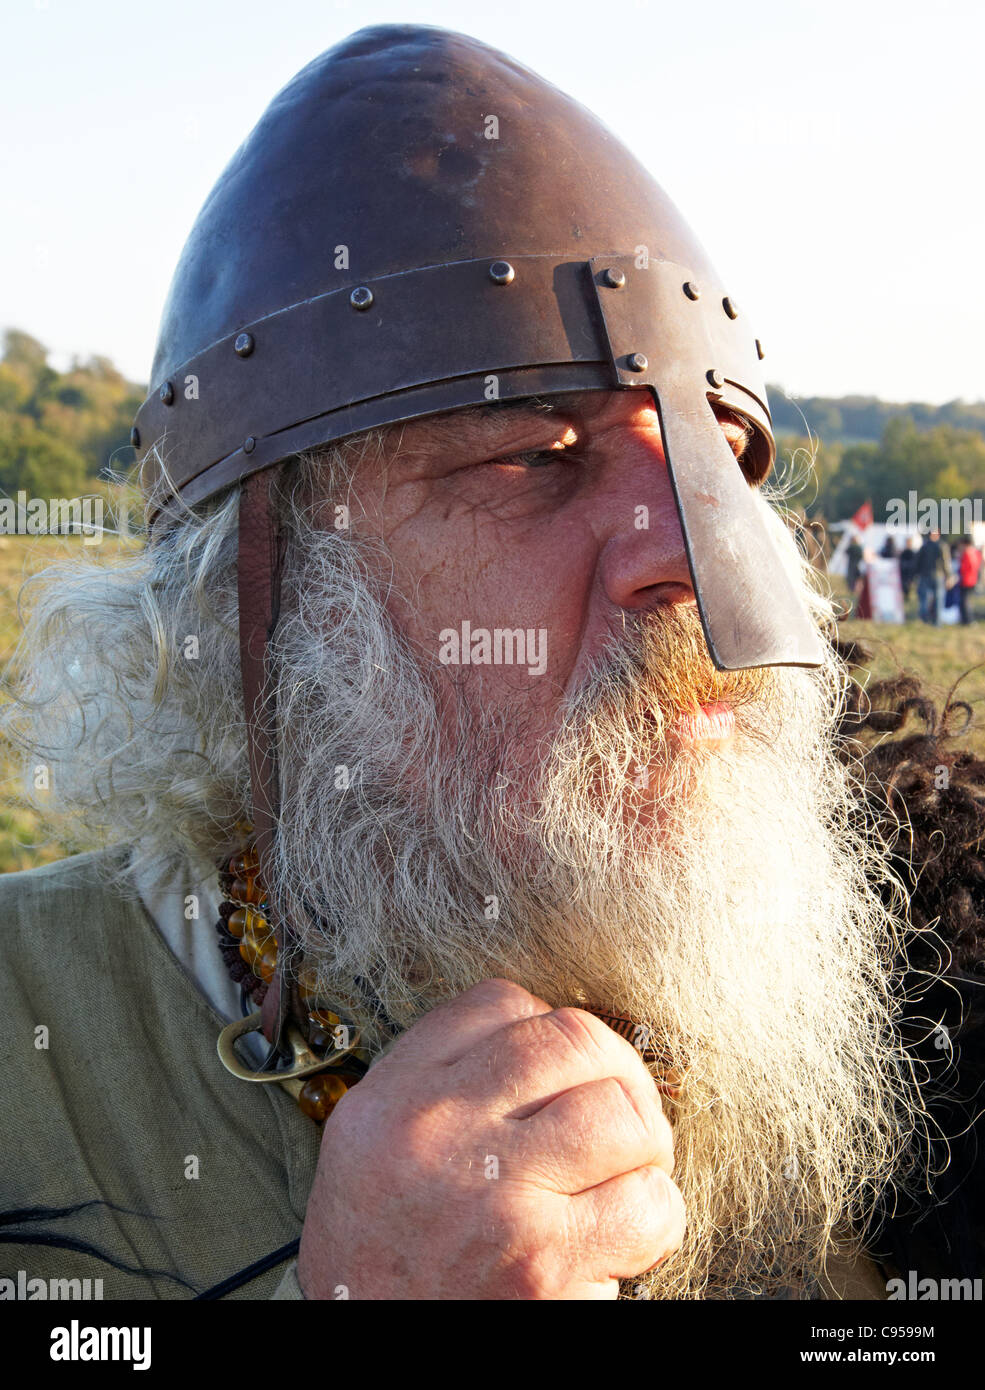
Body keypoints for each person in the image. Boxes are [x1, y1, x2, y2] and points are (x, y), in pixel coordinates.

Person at [1, 25, 981, 1303]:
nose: (680, 554)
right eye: (535, 457)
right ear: (270, 602)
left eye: (715, 461)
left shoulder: (916, 1028)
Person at [915, 528, 951, 624]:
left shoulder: (924, 546)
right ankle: (936, 622)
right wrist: (948, 576)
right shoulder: (942, 545)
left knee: (924, 599)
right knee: (938, 599)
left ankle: (925, 620)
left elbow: (917, 562)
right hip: (937, 575)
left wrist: (916, 575)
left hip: (925, 575)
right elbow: (945, 562)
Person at [957, 535, 983, 625]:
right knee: (967, 600)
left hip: (966, 580)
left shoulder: (967, 552)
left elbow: (964, 568)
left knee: (965, 601)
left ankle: (968, 620)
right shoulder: (976, 552)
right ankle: (967, 620)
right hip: (973, 579)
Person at [898, 535, 919, 602]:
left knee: (911, 593)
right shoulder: (903, 553)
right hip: (904, 577)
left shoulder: (913, 553)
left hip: (911, 577)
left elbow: (915, 566)